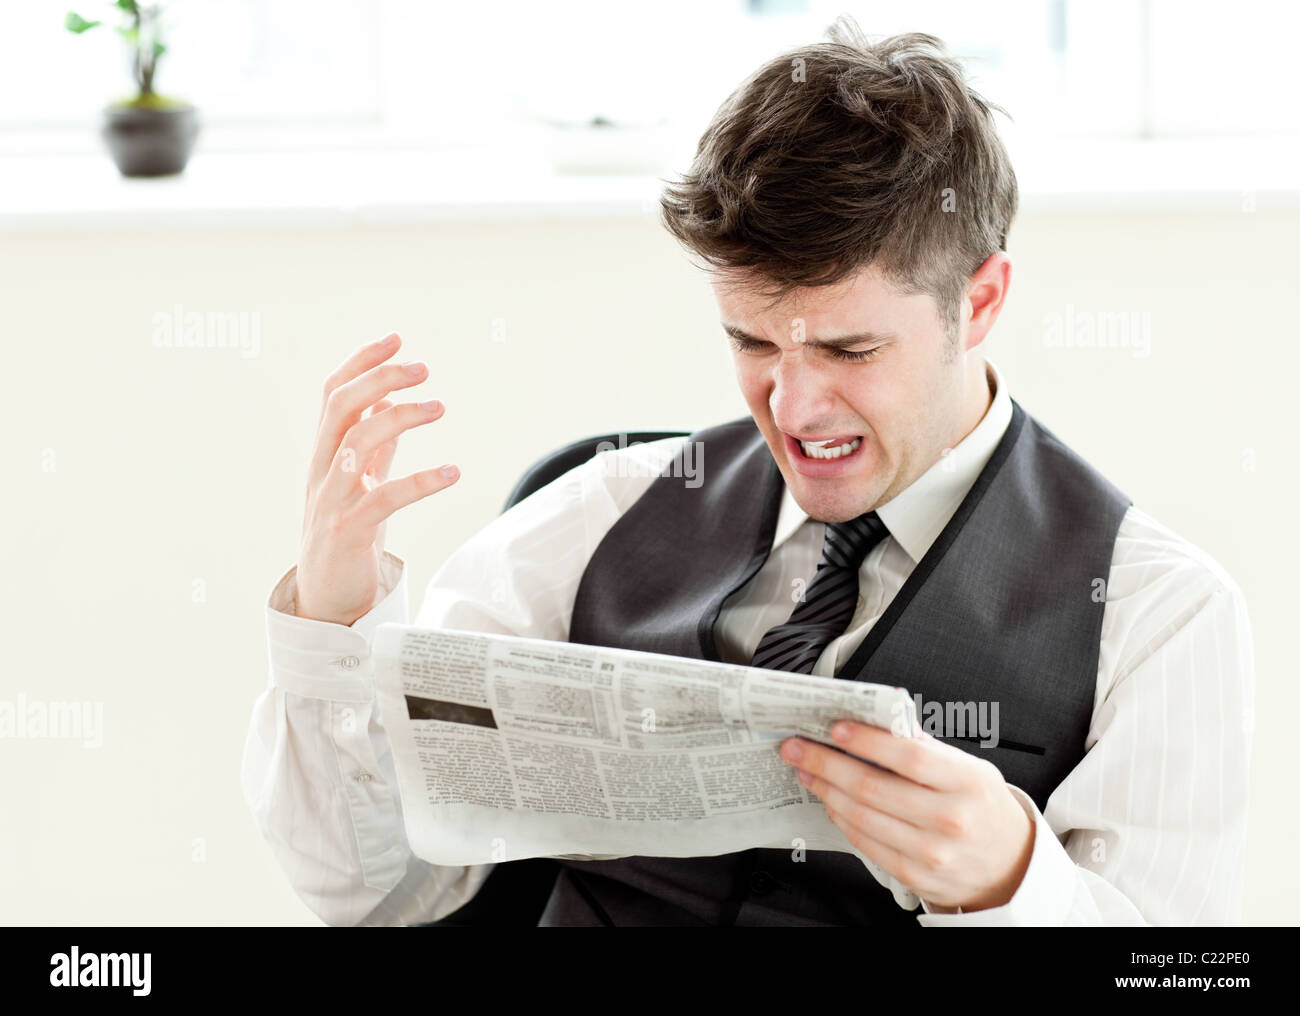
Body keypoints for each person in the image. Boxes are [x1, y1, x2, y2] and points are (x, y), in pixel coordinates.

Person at [240, 18, 1254, 926]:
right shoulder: (606, 508)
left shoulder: (1156, 613)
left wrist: (1009, 880)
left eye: (851, 351)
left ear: (978, 301)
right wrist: (333, 623)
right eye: (753, 343)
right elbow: (378, 892)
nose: (795, 406)